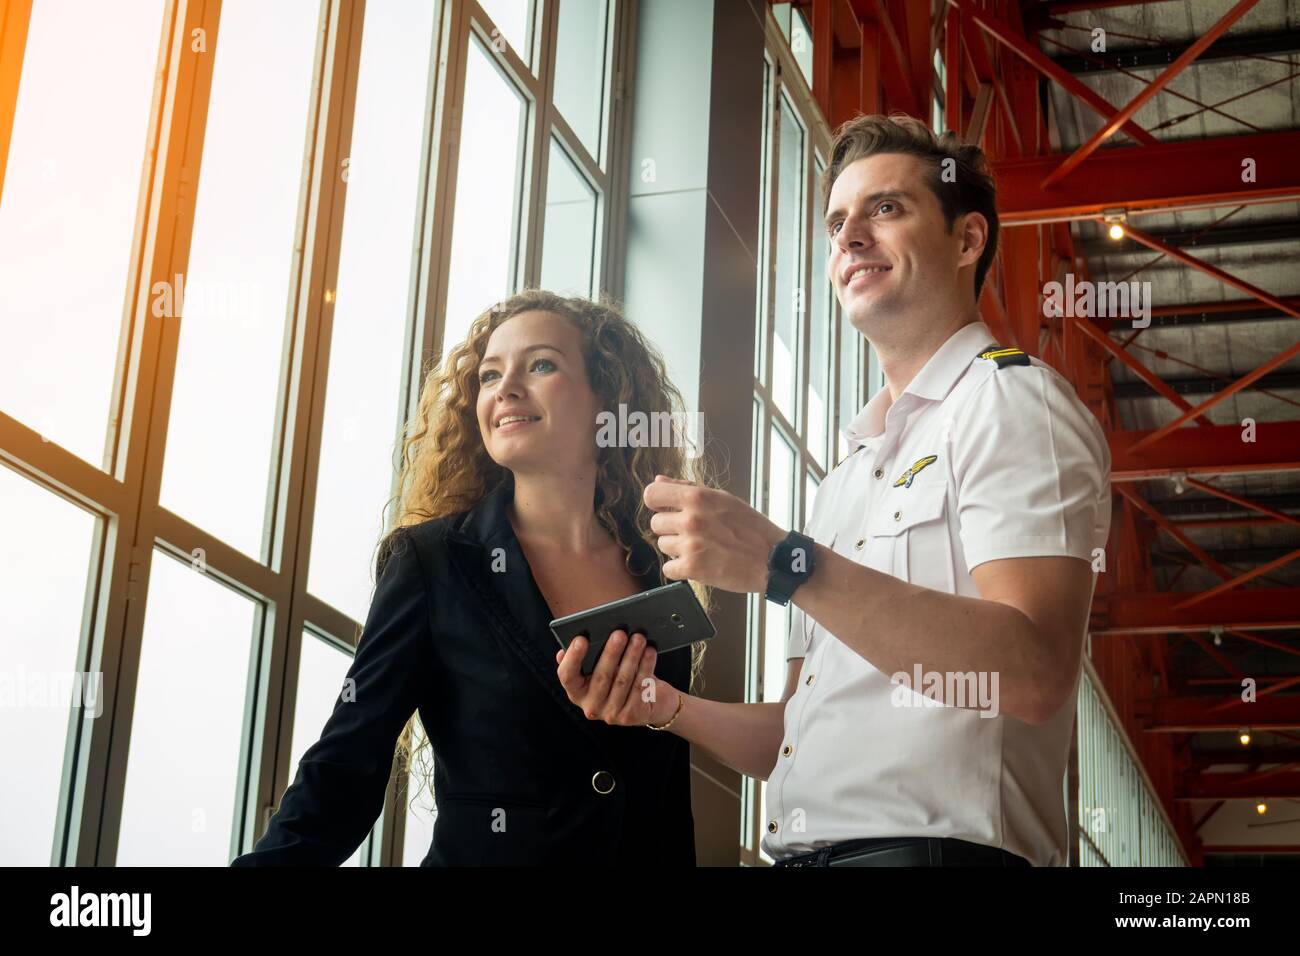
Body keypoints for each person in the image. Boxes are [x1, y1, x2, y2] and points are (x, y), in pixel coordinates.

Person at [560, 113, 1111, 868]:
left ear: (967, 240)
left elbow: (1035, 672)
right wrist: (663, 706)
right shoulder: (847, 477)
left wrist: (786, 565)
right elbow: (792, 733)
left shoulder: (1012, 404)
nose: (849, 237)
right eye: (836, 222)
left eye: (886, 208)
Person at [232, 289, 706, 866]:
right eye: (488, 375)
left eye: (541, 364)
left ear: (605, 395)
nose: (506, 387)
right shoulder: (432, 562)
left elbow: (664, 795)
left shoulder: (659, 570)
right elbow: (346, 765)